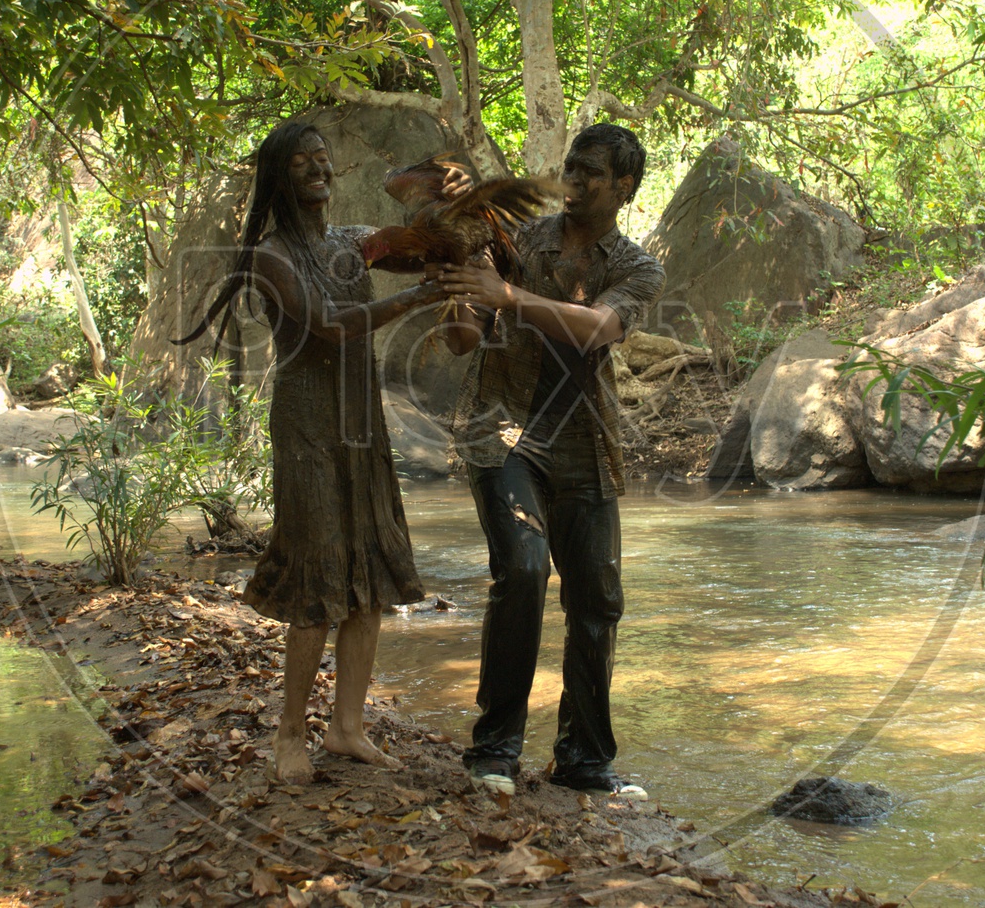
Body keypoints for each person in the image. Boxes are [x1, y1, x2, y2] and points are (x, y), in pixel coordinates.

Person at [198, 119, 447, 784]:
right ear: (279, 177)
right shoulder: (270, 256)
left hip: (361, 418)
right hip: (307, 423)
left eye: (323, 158)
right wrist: (420, 297)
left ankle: (346, 728)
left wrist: (452, 232)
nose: (319, 169)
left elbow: (415, 247)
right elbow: (330, 328)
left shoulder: (350, 243)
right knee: (316, 582)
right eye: (303, 161)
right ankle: (288, 733)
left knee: (367, 577)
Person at [433, 123, 666, 798]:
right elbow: (462, 338)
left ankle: (585, 762)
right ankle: (494, 753)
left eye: (590, 173)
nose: (573, 182)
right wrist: (459, 298)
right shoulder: (518, 240)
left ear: (624, 187)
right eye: (569, 168)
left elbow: (598, 330)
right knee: (526, 567)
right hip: (499, 428)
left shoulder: (636, 266)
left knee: (597, 597)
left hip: (583, 442)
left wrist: (511, 299)